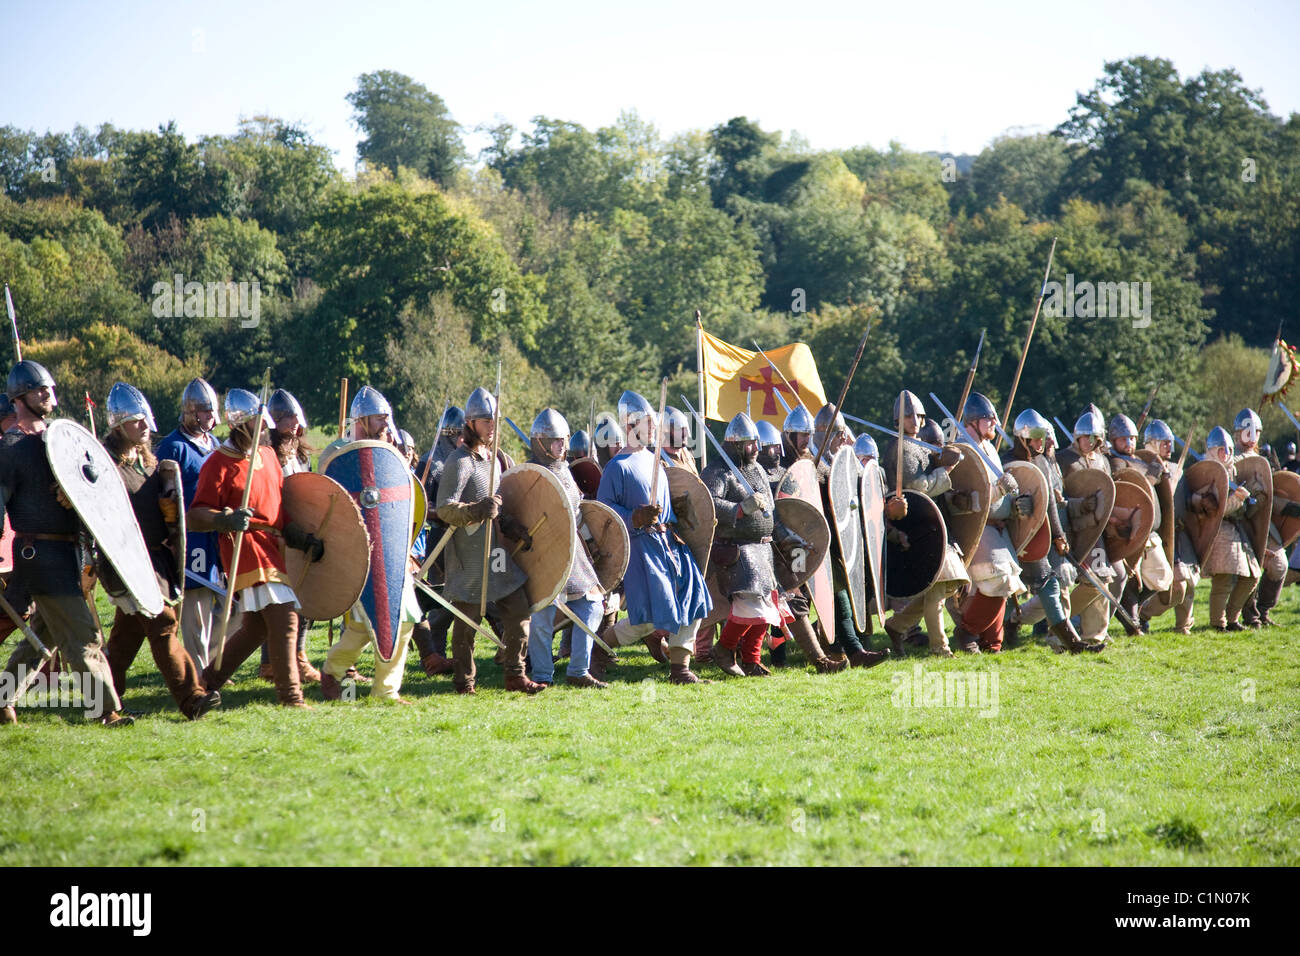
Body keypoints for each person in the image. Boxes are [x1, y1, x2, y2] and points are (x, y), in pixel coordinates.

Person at [0, 360, 133, 727]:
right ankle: (105, 710)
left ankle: (1, 699)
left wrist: (76, 489)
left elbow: (92, 483)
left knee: (44, 634)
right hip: (39, 554)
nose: (49, 395)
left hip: (69, 550)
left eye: (50, 389)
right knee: (82, 636)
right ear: (19, 396)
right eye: (40, 389)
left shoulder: (59, 440)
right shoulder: (12, 447)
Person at [190, 388, 324, 709]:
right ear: (240, 424)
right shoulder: (218, 463)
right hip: (245, 546)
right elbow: (196, 514)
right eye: (257, 422)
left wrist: (298, 536)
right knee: (285, 617)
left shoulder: (266, 456)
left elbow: (278, 507)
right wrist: (227, 518)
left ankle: (205, 683)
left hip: (272, 545)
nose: (264, 428)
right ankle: (290, 697)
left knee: (254, 630)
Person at [100, 383, 220, 719]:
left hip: (156, 559)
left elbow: (170, 512)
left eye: (144, 420)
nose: (143, 426)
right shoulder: (107, 465)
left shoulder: (151, 464)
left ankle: (103, 701)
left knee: (124, 643)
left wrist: (170, 513)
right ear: (117, 424)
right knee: (164, 626)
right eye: (135, 420)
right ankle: (192, 697)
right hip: (126, 560)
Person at [597, 390, 712, 684]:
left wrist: (681, 510)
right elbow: (602, 513)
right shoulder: (616, 467)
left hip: (670, 543)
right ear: (631, 425)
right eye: (649, 423)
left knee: (695, 599)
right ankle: (597, 652)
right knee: (647, 619)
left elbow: (668, 503)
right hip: (640, 546)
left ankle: (680, 669)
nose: (654, 429)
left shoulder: (655, 460)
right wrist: (634, 517)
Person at [436, 386, 544, 695]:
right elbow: (445, 508)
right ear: (470, 424)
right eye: (486, 420)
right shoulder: (460, 461)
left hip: (496, 552)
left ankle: (515, 674)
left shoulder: (494, 460)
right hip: (470, 553)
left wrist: (509, 524)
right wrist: (476, 510)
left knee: (519, 611)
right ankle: (464, 681)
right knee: (467, 623)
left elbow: (497, 508)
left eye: (495, 419)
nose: (492, 426)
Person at [320, 386, 423, 702]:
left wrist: (405, 552)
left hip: (391, 554)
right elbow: (330, 507)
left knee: (394, 620)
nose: (384, 426)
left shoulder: (389, 454)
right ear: (361, 420)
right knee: (378, 619)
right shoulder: (338, 456)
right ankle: (374, 687)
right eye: (378, 419)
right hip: (357, 553)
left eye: (385, 419)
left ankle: (342, 673)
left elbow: (399, 508)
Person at [701, 413, 802, 677]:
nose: (756, 449)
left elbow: (770, 508)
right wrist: (739, 508)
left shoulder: (755, 469)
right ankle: (724, 649)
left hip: (763, 549)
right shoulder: (717, 471)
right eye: (750, 444)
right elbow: (707, 502)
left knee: (768, 611)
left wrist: (781, 534)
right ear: (735, 445)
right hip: (739, 549)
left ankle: (751, 660)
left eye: (757, 443)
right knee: (750, 608)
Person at [524, 409, 609, 688]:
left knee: (593, 605)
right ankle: (541, 675)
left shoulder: (565, 471)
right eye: (555, 441)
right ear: (540, 443)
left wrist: (591, 541)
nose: (561, 446)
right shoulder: (531, 474)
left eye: (563, 440)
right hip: (543, 553)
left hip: (573, 551)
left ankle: (578, 670)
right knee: (543, 613)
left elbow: (577, 514)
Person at [882, 391, 970, 658]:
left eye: (919, 415)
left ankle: (897, 626)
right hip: (915, 527)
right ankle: (939, 646)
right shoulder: (903, 448)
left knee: (946, 583)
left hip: (933, 525)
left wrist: (941, 461)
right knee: (939, 585)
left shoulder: (920, 445)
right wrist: (946, 471)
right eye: (909, 415)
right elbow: (917, 489)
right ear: (898, 419)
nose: (916, 420)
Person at [949, 393, 1030, 654]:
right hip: (977, 526)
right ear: (973, 421)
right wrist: (998, 491)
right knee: (999, 580)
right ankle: (967, 631)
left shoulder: (988, 450)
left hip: (997, 527)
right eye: (988, 418)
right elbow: (963, 498)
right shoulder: (963, 451)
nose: (995, 421)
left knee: (1002, 585)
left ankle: (991, 643)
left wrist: (1015, 506)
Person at [1004, 409, 1090, 653]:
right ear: (1023, 438)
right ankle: (999, 633)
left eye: (1043, 437)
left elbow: (1050, 501)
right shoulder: (1008, 463)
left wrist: (1059, 534)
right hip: (1013, 537)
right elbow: (1000, 503)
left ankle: (1071, 643)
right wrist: (1017, 504)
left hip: (1037, 536)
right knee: (1008, 588)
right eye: (1037, 437)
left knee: (1049, 584)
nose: (1042, 442)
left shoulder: (1041, 460)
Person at [156, 378, 225, 671]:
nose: (211, 418)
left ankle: (213, 664)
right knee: (196, 608)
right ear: (192, 412)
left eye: (213, 412)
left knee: (225, 605)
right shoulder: (172, 448)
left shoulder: (215, 444)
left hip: (218, 535)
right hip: (190, 537)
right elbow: (162, 497)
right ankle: (198, 671)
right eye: (206, 412)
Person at [257, 388, 321, 684]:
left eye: (297, 420)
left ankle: (298, 656)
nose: (294, 426)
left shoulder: (301, 454)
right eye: (288, 420)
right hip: (277, 536)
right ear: (274, 422)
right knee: (278, 603)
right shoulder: (267, 454)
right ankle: (273, 663)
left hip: (301, 533)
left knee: (304, 597)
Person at [1201, 422, 1261, 631]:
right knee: (1224, 579)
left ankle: (1232, 618)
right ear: (1212, 451)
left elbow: (1242, 512)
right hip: (1217, 530)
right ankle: (1218, 623)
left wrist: (1249, 499)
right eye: (1220, 449)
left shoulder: (1233, 471)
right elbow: (1214, 510)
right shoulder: (1205, 473)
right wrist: (1236, 500)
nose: (1225, 453)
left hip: (1236, 530)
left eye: (1228, 449)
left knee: (1252, 576)